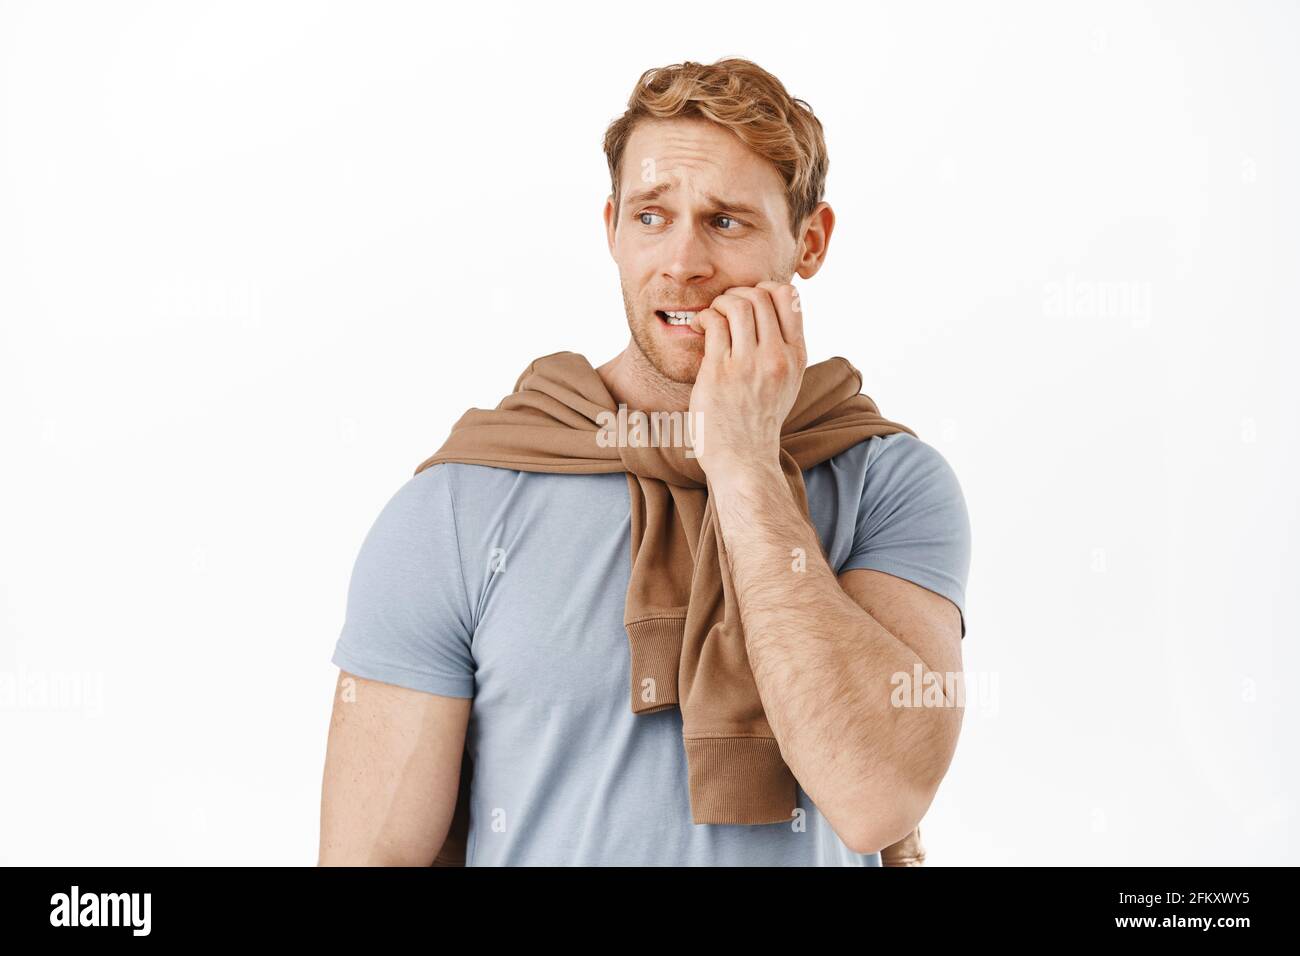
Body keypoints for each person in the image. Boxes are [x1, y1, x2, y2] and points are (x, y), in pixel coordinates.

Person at [318, 57, 971, 866]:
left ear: (810, 241)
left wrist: (742, 464)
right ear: (612, 229)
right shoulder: (461, 503)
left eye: (727, 222)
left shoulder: (889, 484)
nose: (684, 262)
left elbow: (880, 799)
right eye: (653, 217)